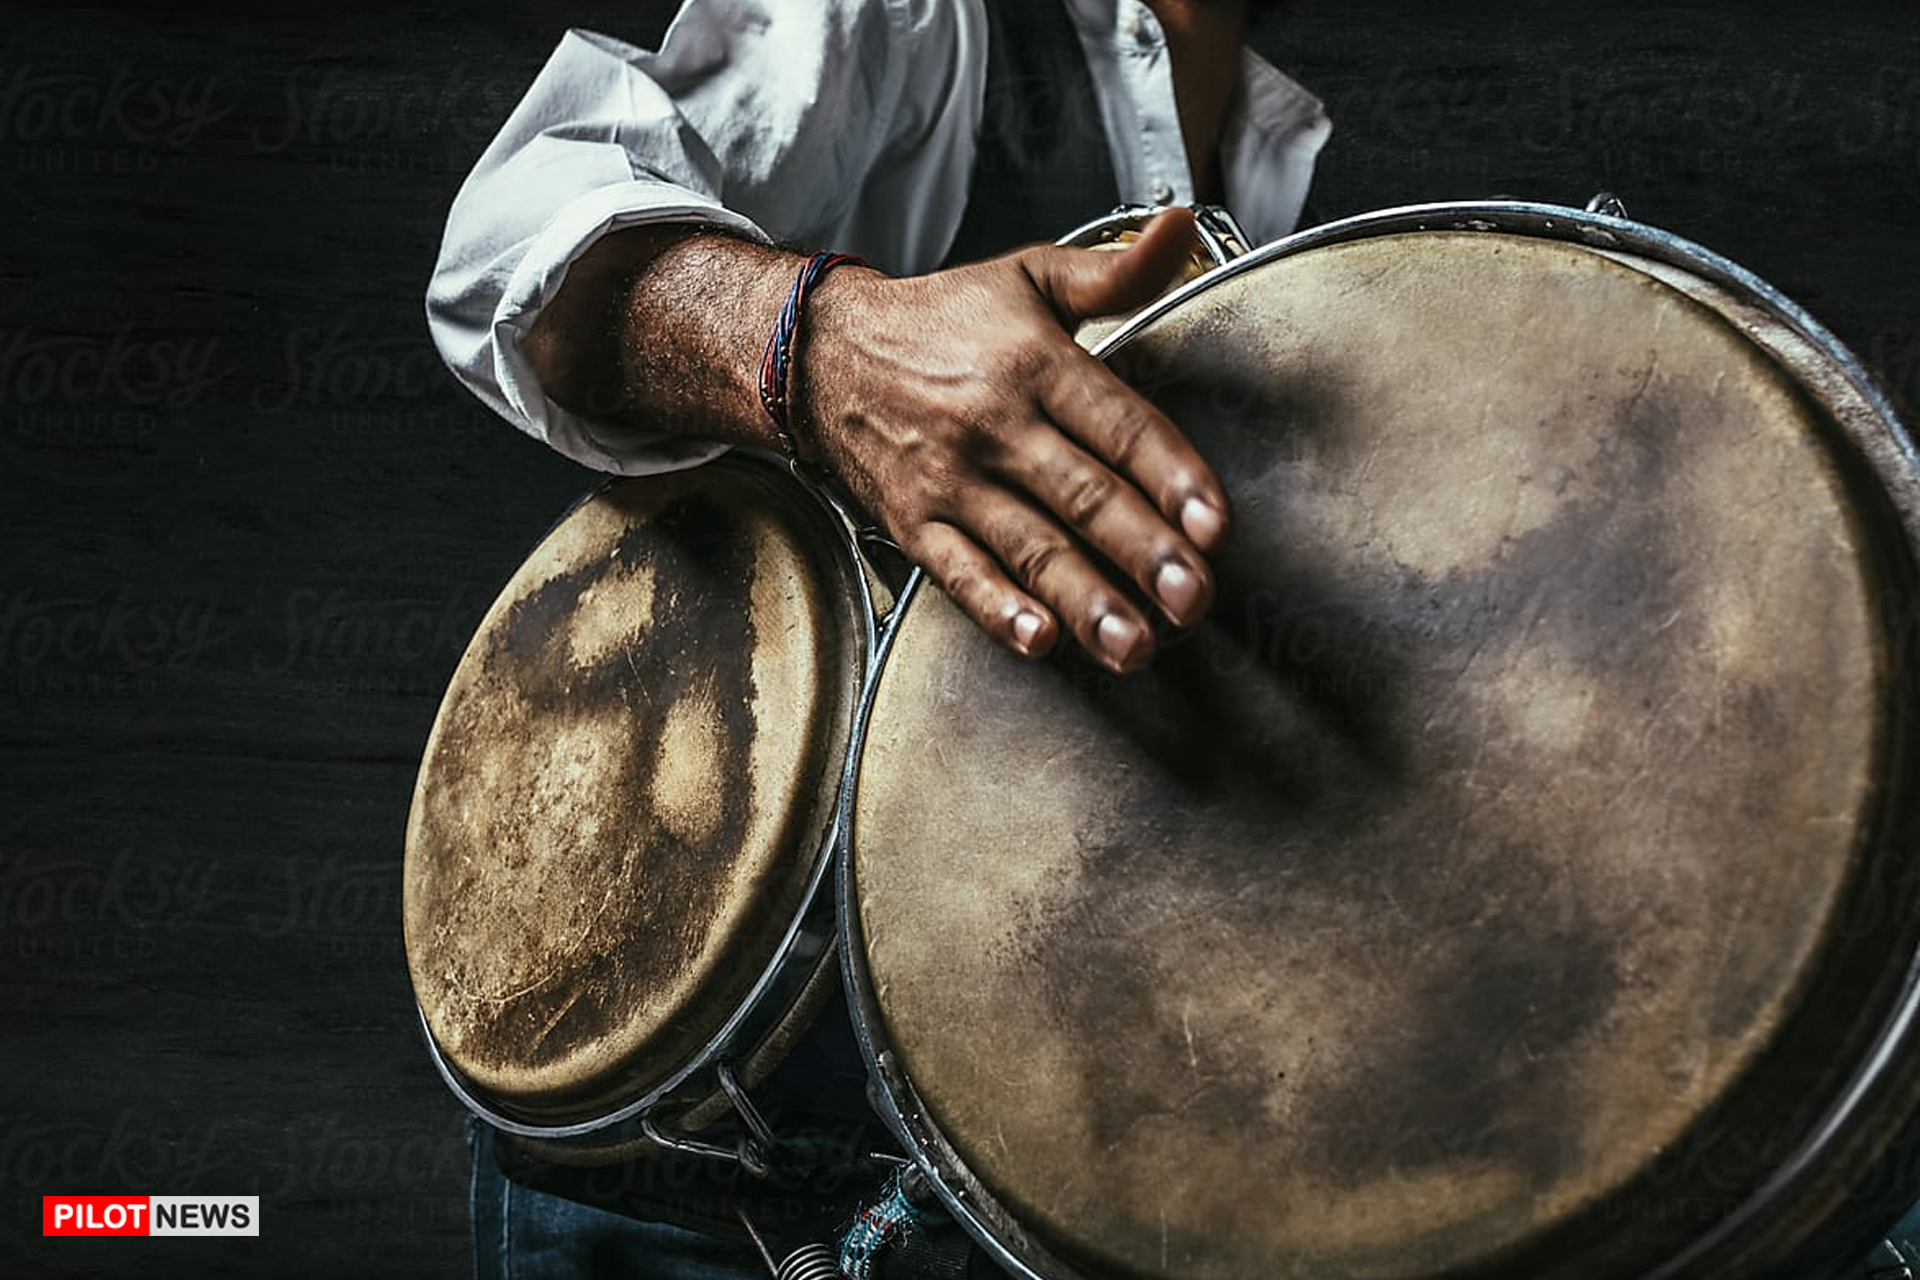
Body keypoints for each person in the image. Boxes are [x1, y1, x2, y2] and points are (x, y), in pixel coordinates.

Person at [428, 1, 1327, 1275]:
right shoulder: (921, 22)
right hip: (706, 1117)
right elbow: (512, 235)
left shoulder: (1294, 137)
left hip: (1014, 1142)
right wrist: (827, 348)